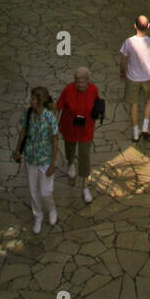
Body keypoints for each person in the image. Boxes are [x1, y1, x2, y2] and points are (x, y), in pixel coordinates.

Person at [13, 86, 59, 233]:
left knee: (45, 191)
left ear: (39, 101)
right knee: (33, 190)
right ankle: (37, 215)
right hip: (31, 158)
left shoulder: (49, 118)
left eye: (32, 98)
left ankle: (51, 209)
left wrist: (53, 163)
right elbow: (23, 131)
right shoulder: (29, 114)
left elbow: (55, 141)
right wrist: (17, 150)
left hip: (45, 160)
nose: (30, 101)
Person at [55, 66, 102, 205]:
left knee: (84, 156)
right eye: (78, 81)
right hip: (70, 127)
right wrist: (54, 124)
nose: (81, 84)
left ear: (88, 81)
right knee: (69, 149)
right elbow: (58, 107)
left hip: (86, 128)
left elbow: (97, 103)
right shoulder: (68, 90)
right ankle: (70, 163)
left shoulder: (93, 90)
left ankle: (85, 186)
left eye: (83, 81)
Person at [119, 15, 150, 142]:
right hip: (149, 77)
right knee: (149, 100)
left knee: (133, 104)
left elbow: (123, 61)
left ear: (135, 26)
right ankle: (145, 127)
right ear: (148, 26)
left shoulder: (129, 42)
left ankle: (135, 132)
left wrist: (122, 73)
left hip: (132, 78)